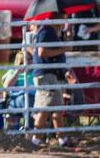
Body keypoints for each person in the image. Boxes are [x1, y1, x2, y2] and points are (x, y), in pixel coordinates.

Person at [29, 10, 70, 146]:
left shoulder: (49, 31)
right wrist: (63, 49)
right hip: (47, 75)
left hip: (49, 74)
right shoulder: (47, 31)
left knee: (54, 107)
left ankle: (62, 139)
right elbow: (42, 52)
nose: (65, 21)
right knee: (45, 107)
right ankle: (36, 140)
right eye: (64, 17)